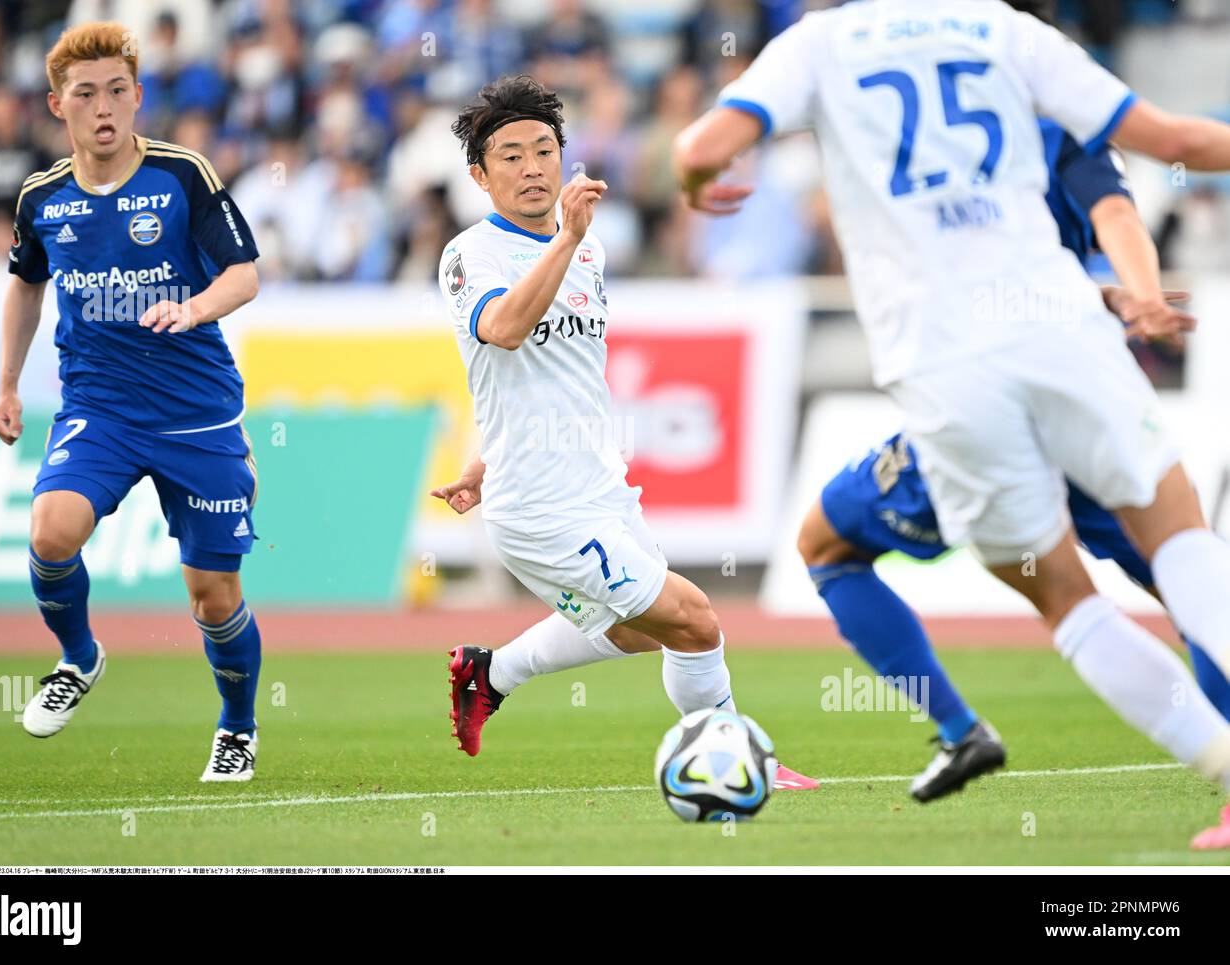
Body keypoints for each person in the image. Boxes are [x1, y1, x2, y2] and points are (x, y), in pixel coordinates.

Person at [672, 0, 1230, 848]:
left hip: (949, 371)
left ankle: (1196, 762)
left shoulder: (820, 43)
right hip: (1062, 333)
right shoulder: (1009, 33)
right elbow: (1180, 148)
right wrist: (1135, 293)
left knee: (1064, 598)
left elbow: (701, 149)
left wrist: (693, 181)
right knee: (1178, 541)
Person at [435, 74, 815, 790]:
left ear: (562, 158)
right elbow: (507, 332)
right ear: (480, 176)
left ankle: (489, 672)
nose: (530, 167)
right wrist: (568, 239)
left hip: (599, 487)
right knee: (697, 619)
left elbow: (558, 378)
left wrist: (483, 460)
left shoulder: (589, 249)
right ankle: (732, 758)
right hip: (541, 508)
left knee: (648, 631)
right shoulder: (470, 255)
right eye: (509, 156)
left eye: (543, 150)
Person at [0, 21, 263, 782]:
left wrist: (196, 307)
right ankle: (79, 658)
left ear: (139, 97)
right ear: (57, 105)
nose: (105, 107)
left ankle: (237, 726)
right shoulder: (42, 197)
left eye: (118, 91)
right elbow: (25, 281)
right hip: (100, 408)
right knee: (52, 531)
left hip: (196, 410)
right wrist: (9, 385)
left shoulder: (183, 175)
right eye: (87, 95)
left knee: (213, 597)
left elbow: (244, 273)